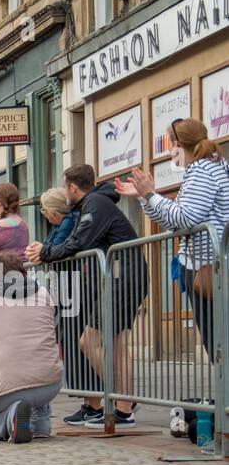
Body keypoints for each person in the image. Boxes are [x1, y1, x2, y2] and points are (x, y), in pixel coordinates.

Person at [26, 164, 146, 428]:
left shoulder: (95, 204)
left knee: (88, 340)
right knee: (114, 345)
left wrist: (45, 253)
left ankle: (122, 403)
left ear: (72, 187)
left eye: (64, 185)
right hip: (122, 274)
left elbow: (80, 242)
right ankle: (123, 407)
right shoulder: (93, 203)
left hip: (123, 276)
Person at [119, 117, 229, 358]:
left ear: (179, 144)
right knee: (216, 337)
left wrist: (150, 194)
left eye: (170, 143)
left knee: (217, 338)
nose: (169, 150)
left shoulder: (203, 169)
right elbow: (174, 221)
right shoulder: (204, 168)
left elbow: (185, 218)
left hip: (210, 265)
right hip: (205, 264)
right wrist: (145, 197)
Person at [0, 252, 64, 443]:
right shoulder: (45, 294)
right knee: (38, 352)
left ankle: (11, 417)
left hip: (5, 388)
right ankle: (40, 425)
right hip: (50, 383)